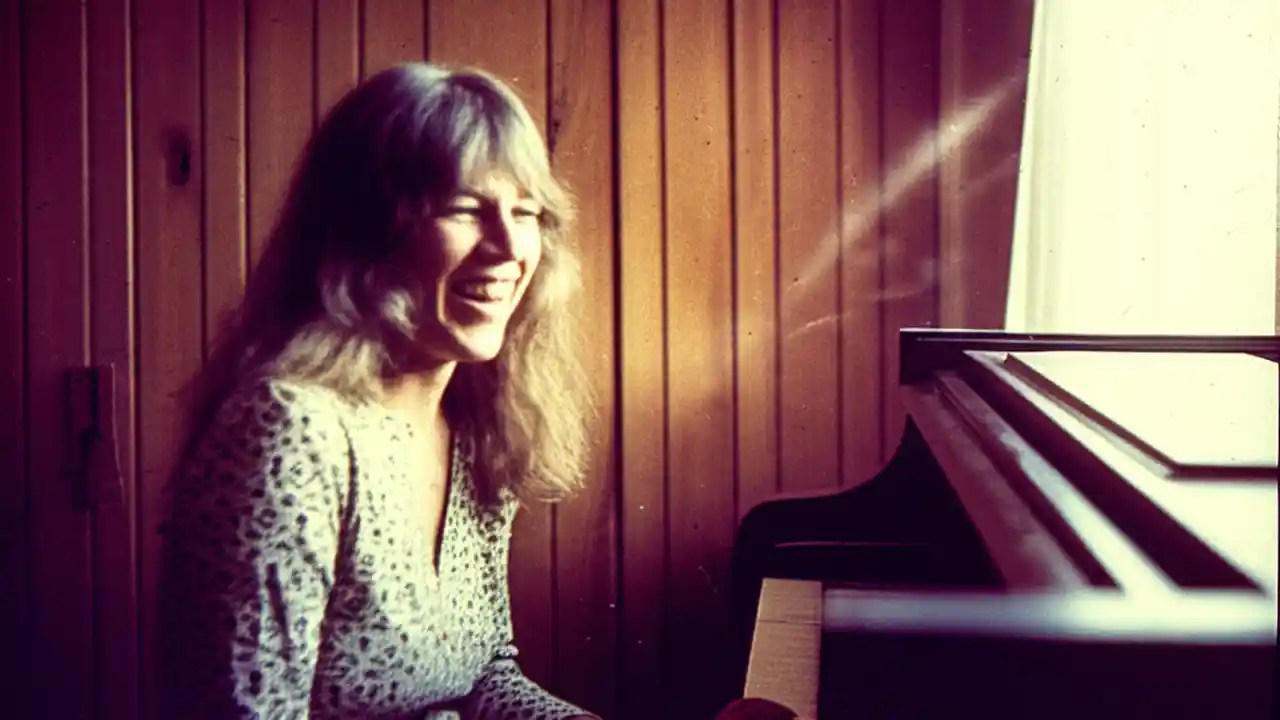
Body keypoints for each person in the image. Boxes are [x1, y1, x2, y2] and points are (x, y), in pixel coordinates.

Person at [157, 62, 598, 720]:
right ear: (367, 234)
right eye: (464, 210)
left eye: (527, 212)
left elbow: (483, 676)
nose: (509, 247)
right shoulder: (289, 433)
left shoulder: (480, 426)